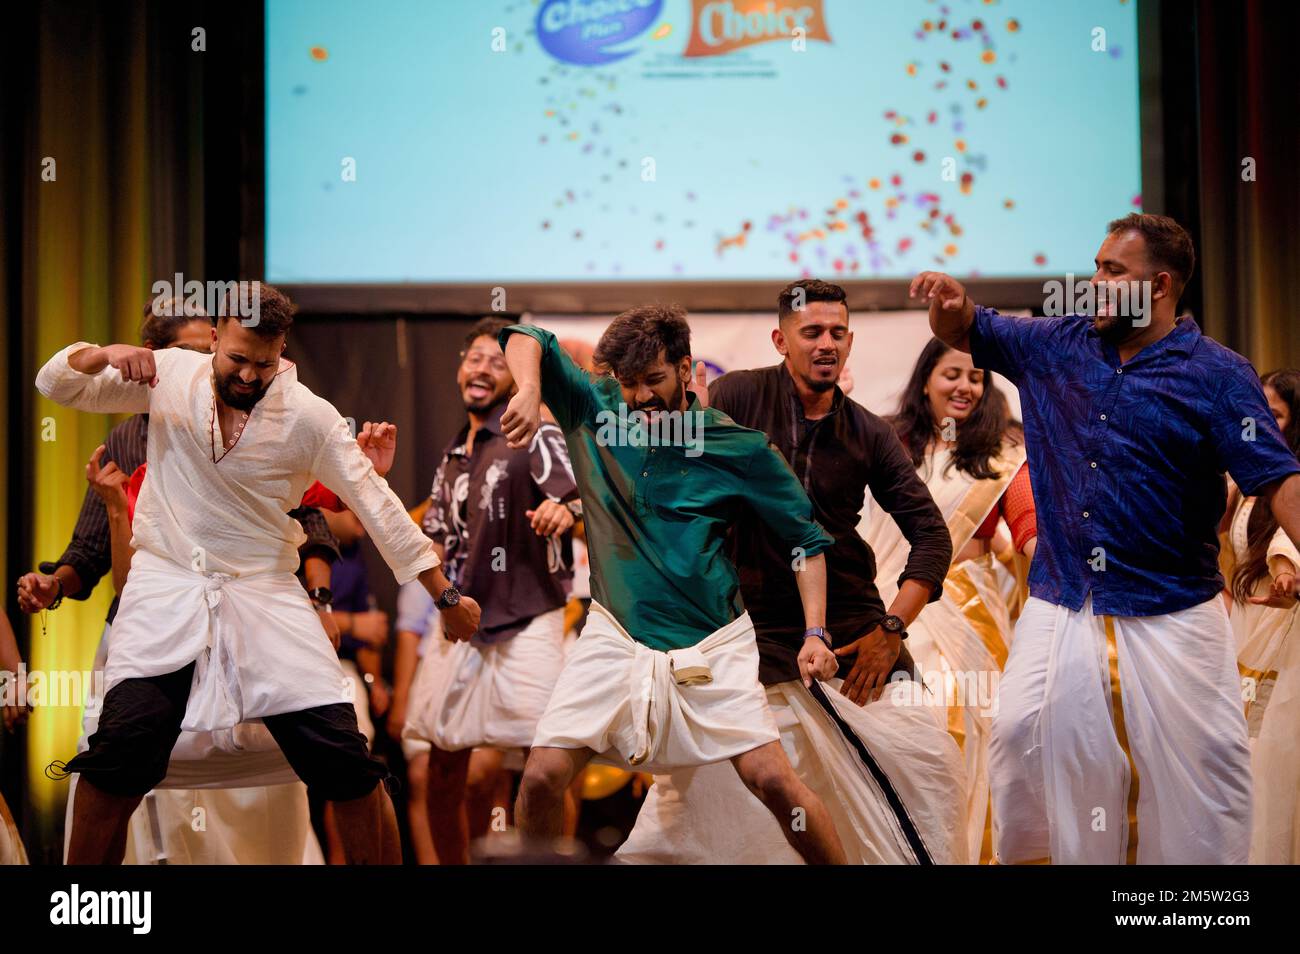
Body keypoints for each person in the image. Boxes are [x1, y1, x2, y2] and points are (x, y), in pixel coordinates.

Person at [34, 282, 480, 864]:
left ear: (282, 350)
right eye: (237, 359)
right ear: (214, 338)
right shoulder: (169, 375)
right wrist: (101, 354)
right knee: (116, 759)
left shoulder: (310, 417)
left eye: (263, 365)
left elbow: (377, 504)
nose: (247, 375)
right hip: (166, 588)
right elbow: (56, 384)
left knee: (346, 762)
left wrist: (445, 596)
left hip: (266, 593)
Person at [917, 212, 1300, 864]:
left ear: (1160, 285)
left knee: (1206, 768)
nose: (1094, 282)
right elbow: (965, 328)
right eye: (1096, 266)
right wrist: (949, 307)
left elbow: (1278, 477)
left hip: (1174, 605)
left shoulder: (1218, 375)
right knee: (1019, 736)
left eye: (1113, 271)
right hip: (1063, 597)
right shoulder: (1054, 345)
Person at [618, 280, 967, 865]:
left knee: (925, 769)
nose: (826, 343)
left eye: (837, 333)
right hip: (746, 635)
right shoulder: (737, 396)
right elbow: (676, 492)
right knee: (711, 802)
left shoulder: (869, 432)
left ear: (850, 342)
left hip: (854, 635)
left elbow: (932, 538)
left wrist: (890, 631)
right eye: (812, 333)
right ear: (781, 340)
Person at [499, 304, 848, 864]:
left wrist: (815, 632)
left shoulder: (738, 447)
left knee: (774, 783)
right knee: (541, 777)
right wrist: (529, 390)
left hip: (713, 644)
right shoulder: (593, 408)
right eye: (629, 383)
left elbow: (805, 542)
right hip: (616, 637)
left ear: (685, 368)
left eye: (654, 379)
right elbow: (525, 334)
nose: (640, 397)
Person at [403, 316, 579, 864]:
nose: (482, 369)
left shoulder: (538, 432)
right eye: (474, 358)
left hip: (530, 616)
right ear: (460, 369)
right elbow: (435, 542)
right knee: (442, 763)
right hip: (463, 619)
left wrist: (564, 511)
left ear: (517, 376)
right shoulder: (453, 454)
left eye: (497, 361)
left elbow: (582, 501)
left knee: (544, 766)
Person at [862, 337, 1037, 861]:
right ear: (926, 381)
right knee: (890, 731)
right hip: (885, 604)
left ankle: (964, 849)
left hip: (966, 613)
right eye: (952, 374)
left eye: (976, 377)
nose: (964, 387)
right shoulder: (886, 444)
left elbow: (1030, 527)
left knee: (964, 727)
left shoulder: (999, 459)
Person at [1222, 368, 1300, 863]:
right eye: (1259, 413)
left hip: (1284, 632)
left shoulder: (1293, 482)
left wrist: (1285, 569)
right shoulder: (1242, 478)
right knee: (1235, 747)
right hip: (1242, 625)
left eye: (1276, 415)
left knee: (1271, 749)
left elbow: (1285, 542)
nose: (1264, 424)